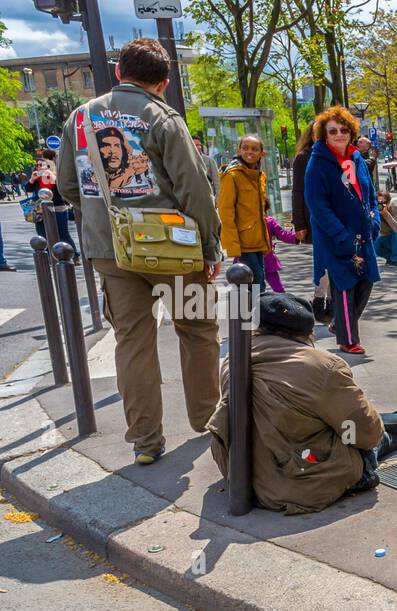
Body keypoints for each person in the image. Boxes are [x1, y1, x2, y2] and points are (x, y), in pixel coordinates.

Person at [56, 37, 222, 466]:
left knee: (132, 342)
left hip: (111, 249)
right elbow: (194, 189)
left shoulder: (79, 118)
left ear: (117, 72)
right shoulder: (163, 118)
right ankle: (206, 421)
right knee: (198, 332)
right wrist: (209, 247)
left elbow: (68, 188)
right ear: (164, 82)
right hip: (173, 249)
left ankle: (145, 441)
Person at [206, 293, 397, 515]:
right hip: (298, 483)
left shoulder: (235, 358)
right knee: (365, 432)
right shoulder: (322, 366)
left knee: (343, 419)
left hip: (241, 476)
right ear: (307, 334)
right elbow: (367, 434)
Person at [303, 106, 380, 355]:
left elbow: (369, 195)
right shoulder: (317, 163)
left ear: (351, 132)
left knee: (366, 280)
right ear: (324, 134)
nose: (339, 134)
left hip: (363, 234)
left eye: (343, 130)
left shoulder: (357, 158)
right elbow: (317, 204)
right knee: (344, 284)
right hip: (335, 236)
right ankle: (348, 339)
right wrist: (339, 233)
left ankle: (339, 323)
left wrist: (375, 220)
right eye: (333, 130)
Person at [218, 134, 271, 289]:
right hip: (243, 242)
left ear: (262, 153)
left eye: (255, 149)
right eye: (245, 148)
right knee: (257, 284)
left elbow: (261, 213)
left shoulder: (260, 176)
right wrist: (233, 246)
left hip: (258, 241)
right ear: (239, 150)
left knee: (258, 281)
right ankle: (255, 312)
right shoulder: (232, 175)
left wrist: (266, 241)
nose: (250, 152)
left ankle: (254, 312)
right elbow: (226, 211)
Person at [290, 125, 331, 324]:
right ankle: (319, 299)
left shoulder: (335, 154)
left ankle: (331, 300)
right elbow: (297, 191)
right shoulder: (303, 157)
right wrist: (298, 223)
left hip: (337, 217)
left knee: (336, 261)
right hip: (314, 217)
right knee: (324, 261)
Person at [27, 149, 80, 261]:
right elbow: (28, 189)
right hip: (41, 211)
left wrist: (52, 176)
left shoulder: (55, 177)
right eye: (38, 165)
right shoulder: (36, 179)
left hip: (58, 209)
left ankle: (74, 256)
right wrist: (32, 179)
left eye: (43, 166)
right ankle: (48, 257)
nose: (40, 167)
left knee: (63, 234)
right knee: (42, 235)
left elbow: (61, 190)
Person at [263, 214, 298, 292]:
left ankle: (283, 303)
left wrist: (297, 237)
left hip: (263, 260)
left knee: (278, 290)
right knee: (278, 289)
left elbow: (282, 234)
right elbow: (282, 234)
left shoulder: (268, 221)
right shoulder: (268, 221)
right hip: (253, 260)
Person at [375, 190, 397, 266]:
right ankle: (390, 257)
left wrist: (386, 215)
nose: (381, 205)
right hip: (387, 237)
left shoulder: (394, 209)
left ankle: (395, 259)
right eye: (379, 203)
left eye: (384, 203)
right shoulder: (375, 211)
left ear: (388, 202)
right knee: (375, 245)